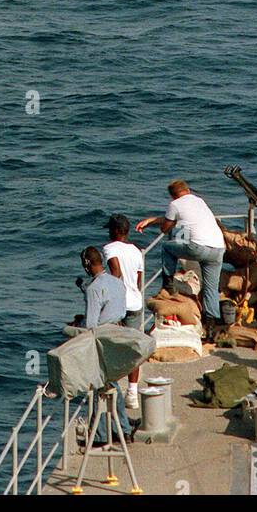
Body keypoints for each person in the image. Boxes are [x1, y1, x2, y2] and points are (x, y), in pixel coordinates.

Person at [136, 180, 225, 337]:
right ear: (187, 190)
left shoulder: (175, 204)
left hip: (198, 248)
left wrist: (157, 223)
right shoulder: (199, 200)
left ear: (172, 196)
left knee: (167, 247)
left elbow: (166, 228)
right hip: (218, 248)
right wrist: (152, 220)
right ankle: (211, 328)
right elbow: (179, 218)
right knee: (211, 288)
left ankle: (168, 283)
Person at [76, 246, 131, 441]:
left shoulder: (93, 288)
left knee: (101, 385)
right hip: (119, 332)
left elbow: (91, 325)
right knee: (111, 383)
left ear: (87, 264)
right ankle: (122, 428)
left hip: (103, 338)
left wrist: (77, 327)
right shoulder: (117, 283)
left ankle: (100, 435)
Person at [103, 214, 145, 409]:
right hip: (136, 303)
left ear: (116, 231)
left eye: (110, 229)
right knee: (133, 349)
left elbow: (116, 274)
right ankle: (133, 393)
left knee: (111, 347)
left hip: (119, 305)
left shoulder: (109, 249)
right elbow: (137, 280)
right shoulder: (137, 251)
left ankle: (110, 389)